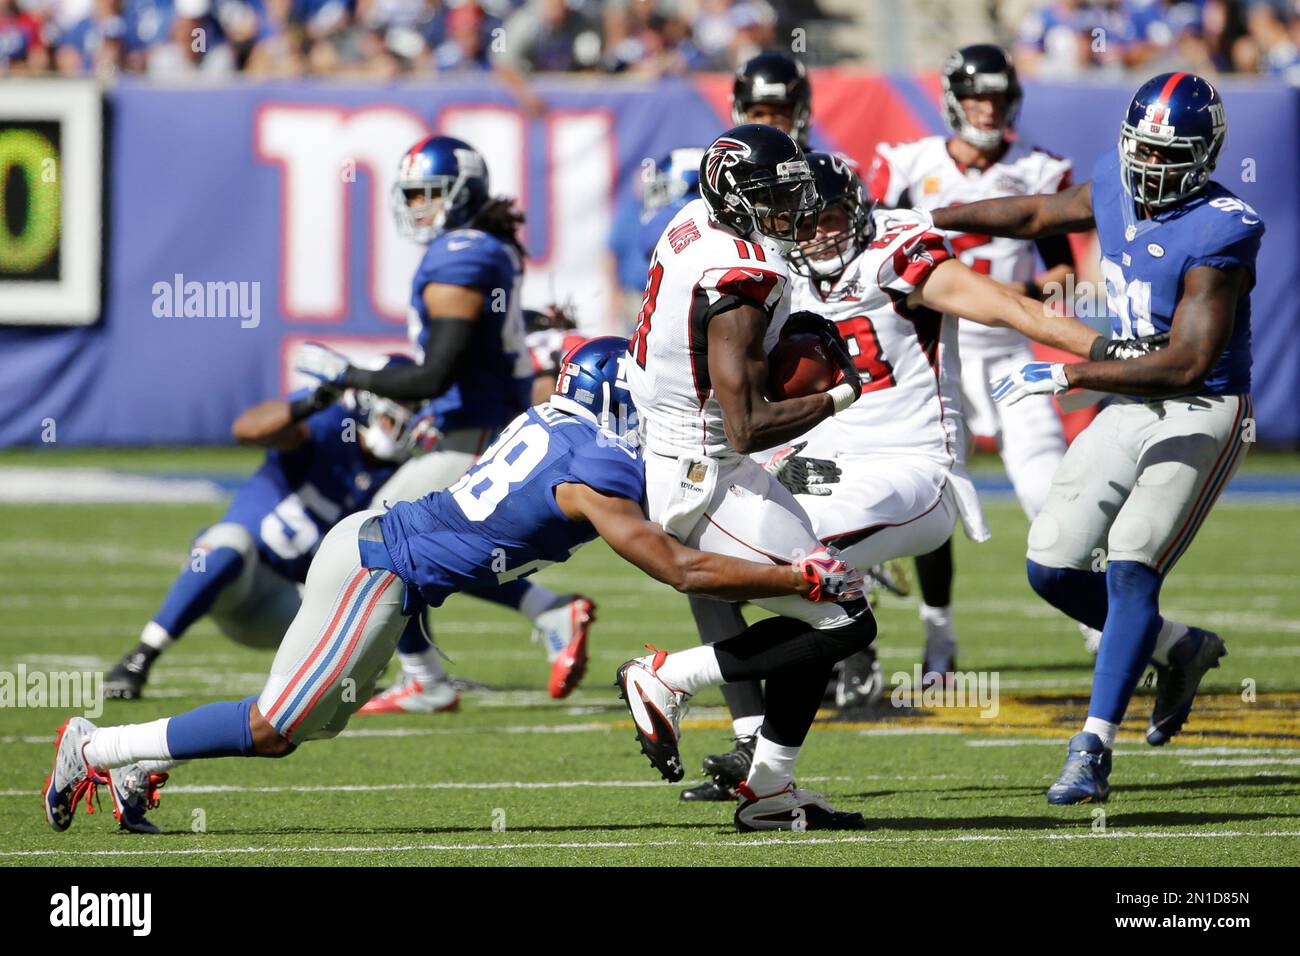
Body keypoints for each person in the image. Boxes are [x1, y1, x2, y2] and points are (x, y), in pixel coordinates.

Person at [43, 338, 860, 835]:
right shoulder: (590, 470)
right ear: (617, 401)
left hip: (390, 568)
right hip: (377, 570)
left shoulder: (555, 425)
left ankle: (132, 762)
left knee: (300, 727)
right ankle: (98, 745)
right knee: (278, 726)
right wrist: (792, 573)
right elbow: (674, 565)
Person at [916, 72, 1259, 803]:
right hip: (1130, 395)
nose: (1150, 168)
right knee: (1051, 566)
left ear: (1205, 157)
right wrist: (932, 216)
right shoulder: (1113, 179)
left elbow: (1189, 361)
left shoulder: (1224, 226)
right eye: (1143, 151)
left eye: (1170, 156)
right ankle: (1176, 646)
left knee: (1132, 561)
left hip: (1201, 405)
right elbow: (1039, 212)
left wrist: (1071, 375)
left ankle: (1092, 746)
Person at [616, 124, 878, 832]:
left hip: (688, 450)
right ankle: (667, 677)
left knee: (832, 610)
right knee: (843, 614)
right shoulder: (743, 275)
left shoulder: (693, 218)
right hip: (705, 468)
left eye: (790, 192)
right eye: (772, 196)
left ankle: (768, 792)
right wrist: (843, 393)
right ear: (736, 196)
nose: (788, 210)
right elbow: (747, 426)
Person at [296, 135, 596, 708]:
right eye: (411, 195)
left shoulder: (462, 252)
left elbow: (433, 375)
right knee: (438, 549)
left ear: (462, 193)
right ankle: (539, 616)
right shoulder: (482, 248)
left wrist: (349, 374)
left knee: (377, 541)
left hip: (473, 434)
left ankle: (426, 677)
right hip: (481, 426)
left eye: (429, 193)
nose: (418, 207)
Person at [867, 43, 1084, 677]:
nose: (986, 108)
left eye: (996, 96)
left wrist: (1015, 297)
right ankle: (939, 640)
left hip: (1009, 350)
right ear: (953, 99)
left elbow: (1063, 273)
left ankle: (1096, 622)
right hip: (932, 355)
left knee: (1050, 489)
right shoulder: (908, 166)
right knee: (933, 502)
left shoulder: (1038, 170)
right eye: (976, 96)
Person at [103, 362, 418, 700]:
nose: (411, 420)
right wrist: (307, 405)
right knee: (231, 544)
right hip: (235, 579)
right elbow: (246, 430)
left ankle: (389, 681)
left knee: (370, 607)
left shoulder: (405, 476)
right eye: (406, 406)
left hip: (289, 604)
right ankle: (138, 659)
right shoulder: (330, 427)